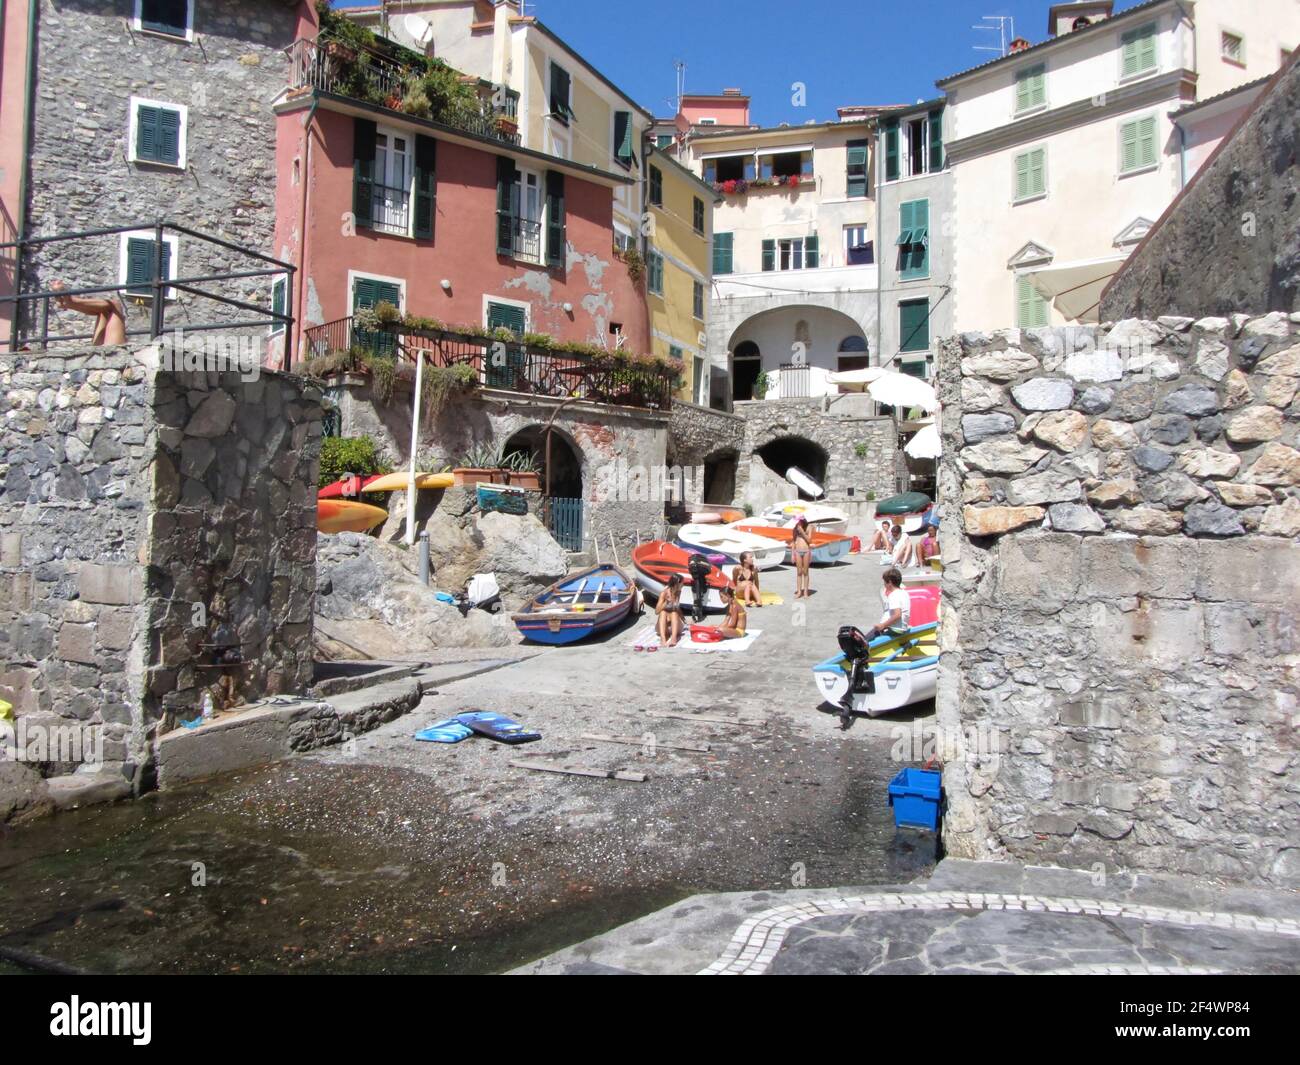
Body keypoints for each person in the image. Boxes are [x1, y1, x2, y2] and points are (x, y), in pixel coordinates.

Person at [837, 568, 912, 723]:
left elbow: (897, 615)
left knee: (861, 643)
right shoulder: (904, 592)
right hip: (900, 629)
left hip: (891, 630)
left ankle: (855, 680)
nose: (884, 586)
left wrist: (882, 625)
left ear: (890, 582)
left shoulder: (894, 595)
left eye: (885, 583)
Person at [50, 279, 127, 345]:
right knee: (109, 309)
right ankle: (70, 302)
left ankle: (70, 302)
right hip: (108, 354)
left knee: (111, 307)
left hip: (106, 355)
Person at [656, 573, 684, 647]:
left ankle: (673, 638)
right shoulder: (664, 593)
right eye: (682, 583)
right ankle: (663, 638)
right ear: (677, 584)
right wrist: (666, 602)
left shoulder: (678, 593)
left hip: (674, 627)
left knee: (674, 612)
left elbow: (677, 609)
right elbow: (656, 611)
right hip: (663, 627)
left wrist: (685, 620)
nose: (683, 585)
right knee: (663, 612)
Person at [791, 516, 813, 599]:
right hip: (798, 551)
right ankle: (799, 591)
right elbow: (793, 541)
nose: (797, 523)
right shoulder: (795, 528)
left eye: (799, 521)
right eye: (797, 521)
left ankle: (806, 592)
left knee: (805, 572)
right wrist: (792, 554)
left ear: (803, 521)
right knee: (799, 572)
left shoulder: (809, 527)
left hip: (806, 551)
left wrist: (802, 532)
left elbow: (809, 541)